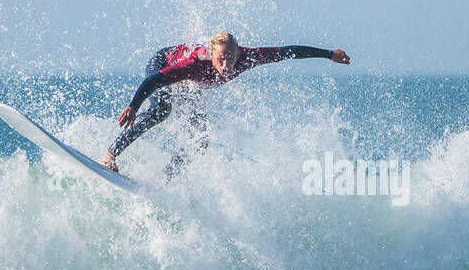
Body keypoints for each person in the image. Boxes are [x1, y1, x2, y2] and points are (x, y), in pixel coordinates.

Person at [99, 31, 350, 173]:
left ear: (239, 52)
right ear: (211, 54)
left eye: (231, 57)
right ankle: (109, 155)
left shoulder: (248, 57)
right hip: (163, 63)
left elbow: (288, 51)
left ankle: (167, 179)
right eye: (221, 59)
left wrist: (329, 55)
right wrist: (134, 105)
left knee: (200, 139)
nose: (227, 65)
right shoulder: (195, 63)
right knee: (161, 111)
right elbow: (153, 80)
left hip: (190, 86)